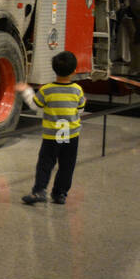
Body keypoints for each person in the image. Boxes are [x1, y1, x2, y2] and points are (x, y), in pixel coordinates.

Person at [17, 51, 85, 206]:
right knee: (67, 165)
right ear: (74, 71)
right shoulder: (77, 90)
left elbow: (35, 105)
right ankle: (60, 193)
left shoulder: (47, 90)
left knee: (45, 163)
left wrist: (26, 90)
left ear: (54, 69)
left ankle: (39, 190)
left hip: (51, 136)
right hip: (71, 135)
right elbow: (80, 109)